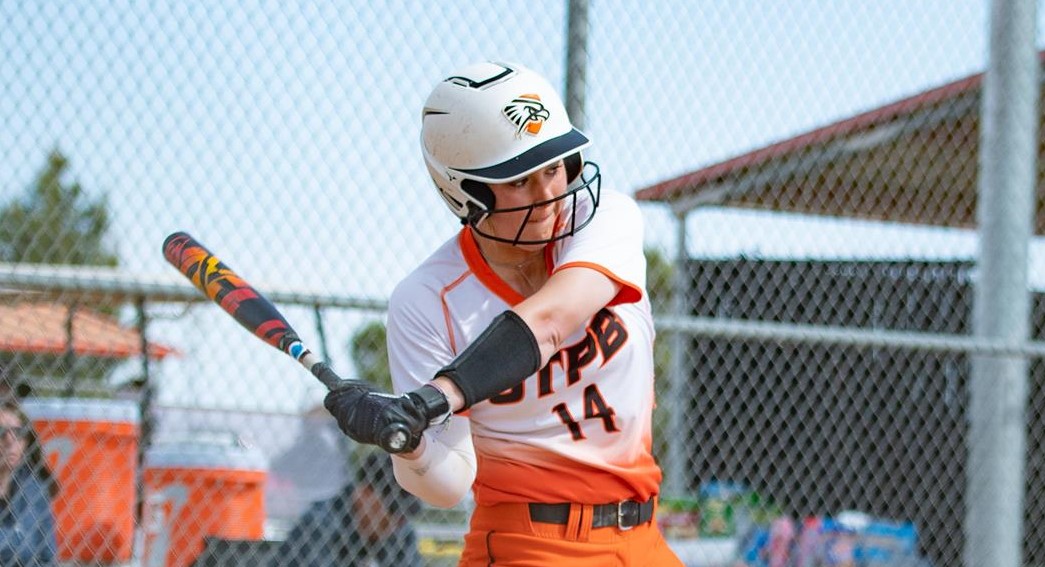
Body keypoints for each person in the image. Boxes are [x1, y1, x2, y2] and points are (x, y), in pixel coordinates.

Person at [324, 61, 683, 565]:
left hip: (643, 538)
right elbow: (449, 484)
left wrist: (438, 394)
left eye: (554, 167)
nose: (547, 196)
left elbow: (553, 318)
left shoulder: (605, 218)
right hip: (526, 544)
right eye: (518, 181)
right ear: (465, 190)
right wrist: (403, 438)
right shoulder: (427, 298)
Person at [274, 451, 424, 567]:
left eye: (403, 516)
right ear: (364, 494)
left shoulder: (401, 531)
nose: (397, 522)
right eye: (392, 510)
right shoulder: (320, 523)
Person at [0, 395, 58, 566]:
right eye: (1, 432)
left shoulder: (33, 489)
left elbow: (48, 556)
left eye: (18, 433)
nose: (10, 441)